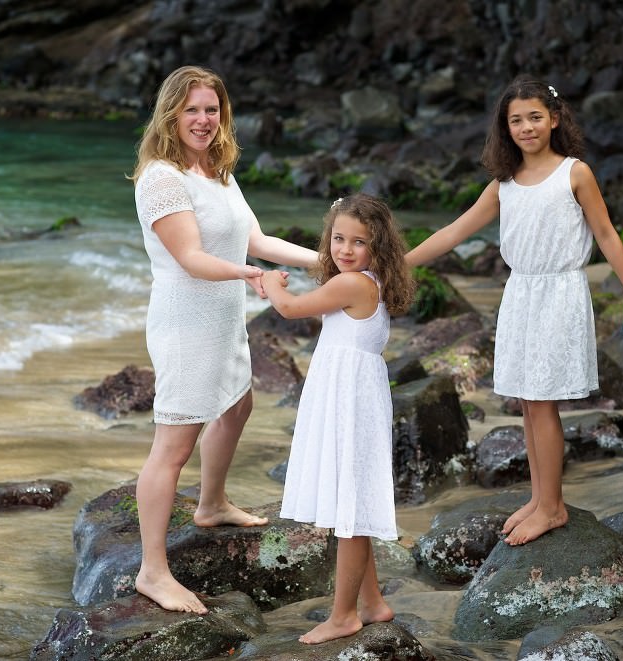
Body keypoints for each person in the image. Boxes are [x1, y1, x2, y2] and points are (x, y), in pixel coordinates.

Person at [405, 78, 623, 546]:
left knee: (543, 402)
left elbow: (607, 234)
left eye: (535, 116)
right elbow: (455, 231)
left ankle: (553, 508)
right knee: (528, 403)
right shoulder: (505, 184)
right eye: (516, 120)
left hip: (559, 292)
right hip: (521, 294)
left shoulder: (575, 173)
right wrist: (398, 263)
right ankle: (540, 498)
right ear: (505, 128)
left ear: (554, 118)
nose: (526, 127)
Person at [130, 65, 318, 614]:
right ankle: (152, 571)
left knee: (237, 406)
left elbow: (254, 238)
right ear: (171, 114)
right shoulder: (162, 177)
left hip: (222, 314)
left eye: (212, 109)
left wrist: (322, 261)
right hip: (186, 320)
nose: (204, 119)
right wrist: (251, 276)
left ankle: (211, 505)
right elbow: (189, 258)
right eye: (192, 109)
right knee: (173, 447)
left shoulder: (216, 171)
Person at [261, 194, 416, 644]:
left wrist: (271, 281)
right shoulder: (367, 281)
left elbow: (289, 308)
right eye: (338, 239)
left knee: (350, 509)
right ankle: (372, 603)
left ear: (379, 247)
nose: (345, 249)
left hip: (349, 400)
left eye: (359, 242)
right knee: (355, 503)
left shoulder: (353, 285)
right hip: (353, 395)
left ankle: (344, 614)